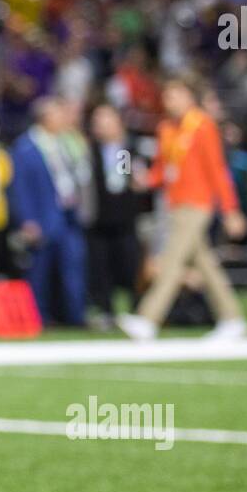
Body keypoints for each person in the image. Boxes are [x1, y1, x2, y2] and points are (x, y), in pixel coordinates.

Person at [118, 73, 247, 340]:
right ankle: (232, 318)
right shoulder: (166, 128)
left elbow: (216, 170)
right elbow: (163, 169)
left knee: (172, 260)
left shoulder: (202, 126)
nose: (170, 100)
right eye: (167, 95)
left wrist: (230, 209)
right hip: (174, 203)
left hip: (197, 203)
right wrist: (146, 180)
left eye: (175, 94)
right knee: (206, 264)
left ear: (190, 96)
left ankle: (148, 318)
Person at [9, 96, 87, 326]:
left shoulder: (66, 142)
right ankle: (37, 318)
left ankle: (75, 317)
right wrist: (26, 220)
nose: (63, 119)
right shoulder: (25, 147)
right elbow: (19, 187)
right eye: (58, 114)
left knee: (72, 268)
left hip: (68, 214)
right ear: (44, 118)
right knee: (39, 272)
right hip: (42, 217)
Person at [86, 102, 143, 326]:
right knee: (101, 269)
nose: (101, 126)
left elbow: (127, 182)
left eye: (106, 120)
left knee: (130, 266)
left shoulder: (129, 149)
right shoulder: (90, 150)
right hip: (99, 219)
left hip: (125, 220)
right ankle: (106, 311)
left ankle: (137, 310)